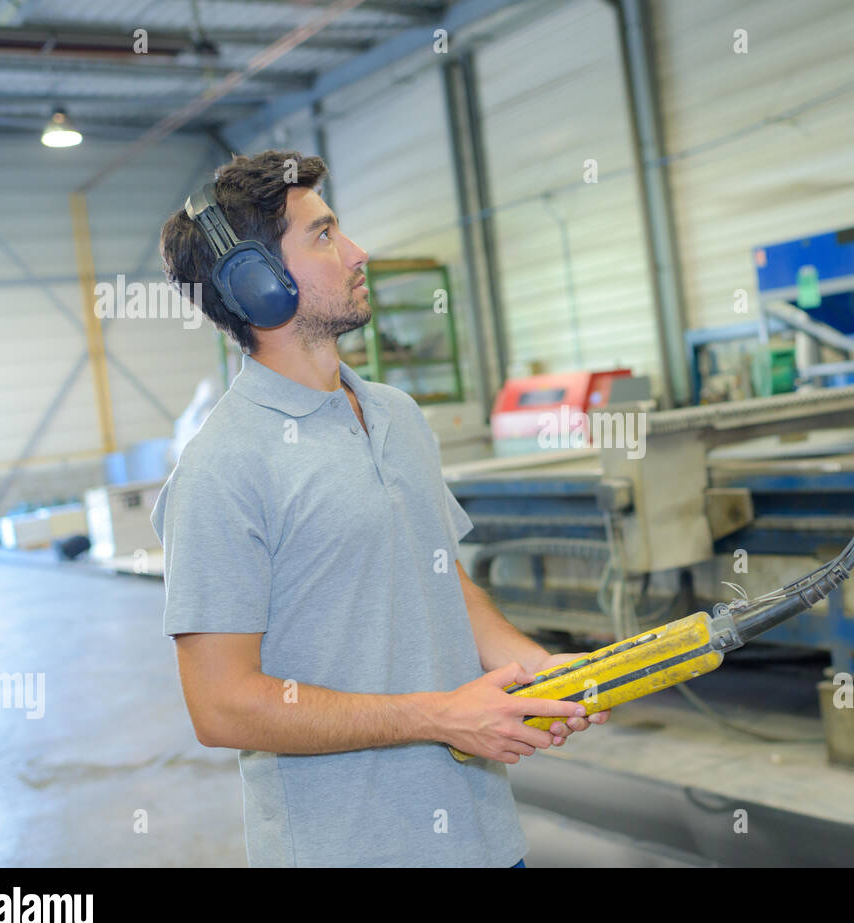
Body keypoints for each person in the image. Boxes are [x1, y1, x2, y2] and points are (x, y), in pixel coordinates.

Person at [150, 149, 608, 867]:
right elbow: (221, 703)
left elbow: (441, 582)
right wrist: (439, 716)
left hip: (485, 838)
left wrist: (538, 669)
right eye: (325, 236)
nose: (358, 252)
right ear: (257, 282)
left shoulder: (397, 413)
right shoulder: (223, 466)